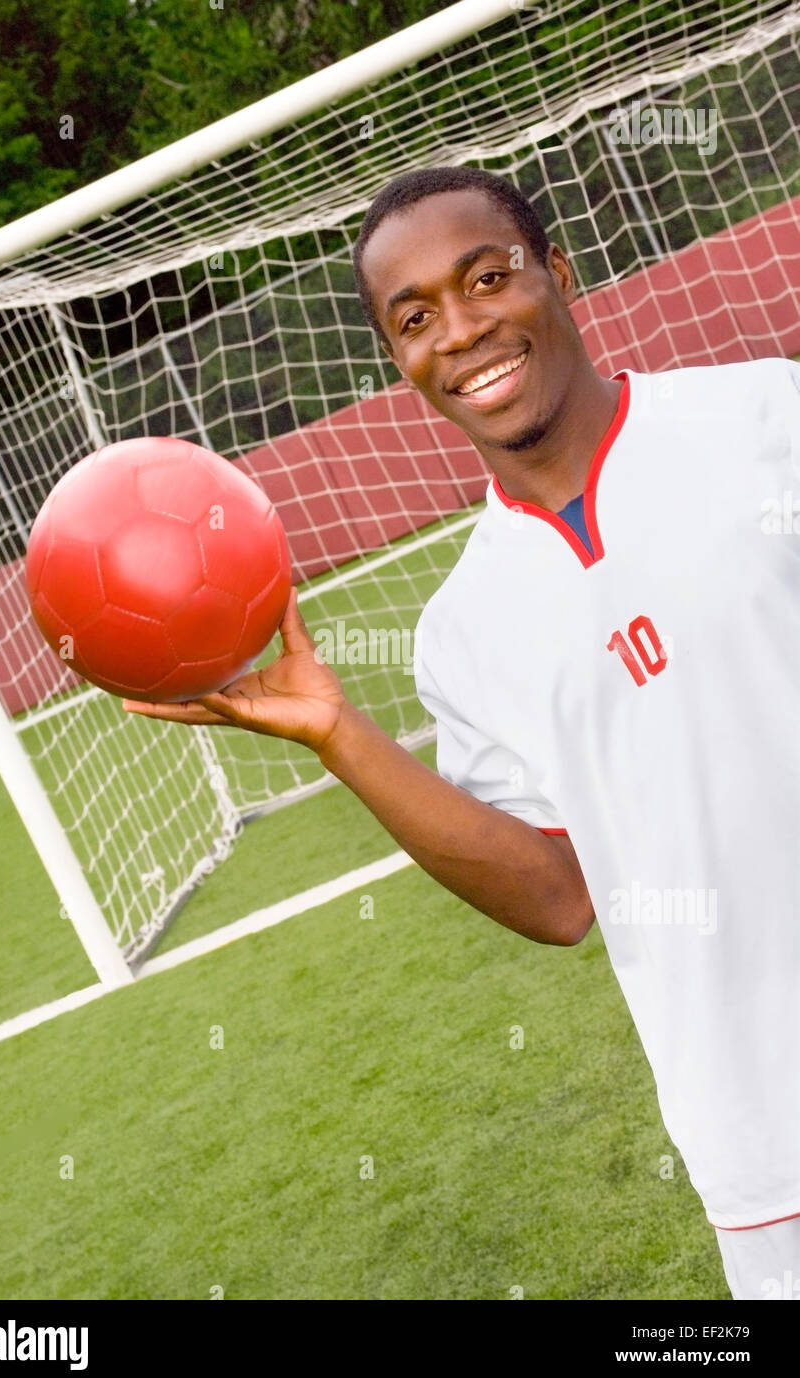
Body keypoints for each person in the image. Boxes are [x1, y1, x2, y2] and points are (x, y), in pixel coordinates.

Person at [124, 166, 800, 1300]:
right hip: (754, 1139)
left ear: (557, 273)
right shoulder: (460, 633)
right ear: (397, 360)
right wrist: (340, 734)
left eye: (487, 277)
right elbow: (554, 897)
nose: (464, 330)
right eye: (416, 316)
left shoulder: (763, 419)